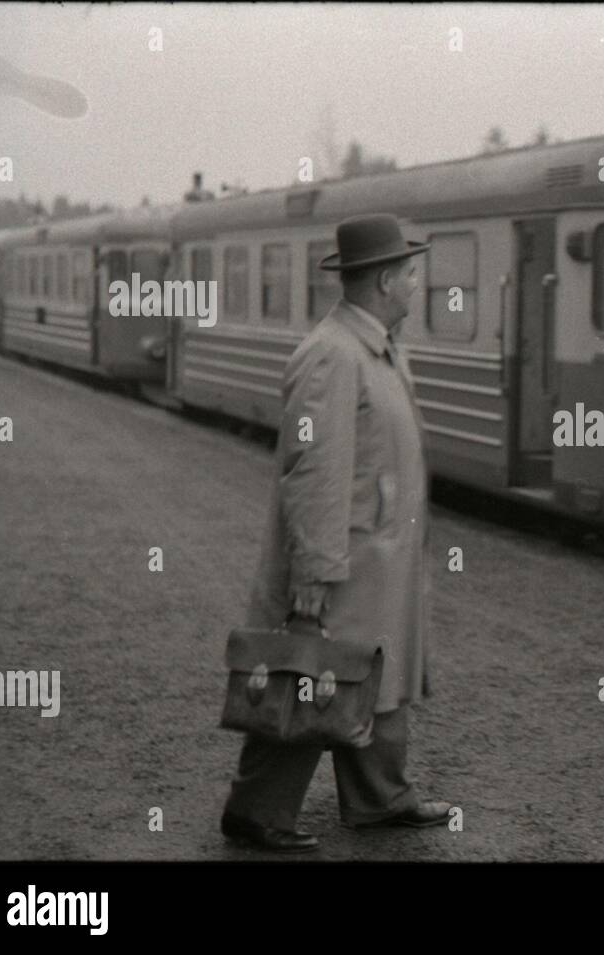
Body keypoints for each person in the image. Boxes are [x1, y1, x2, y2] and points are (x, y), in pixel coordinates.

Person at [221, 213, 450, 852]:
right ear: (382, 281)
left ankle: (381, 797)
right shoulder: (333, 355)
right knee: (309, 671)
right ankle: (256, 811)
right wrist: (315, 570)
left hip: (377, 551)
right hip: (346, 555)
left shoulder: (370, 346)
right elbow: (314, 470)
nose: (415, 285)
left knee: (375, 672)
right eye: (409, 274)